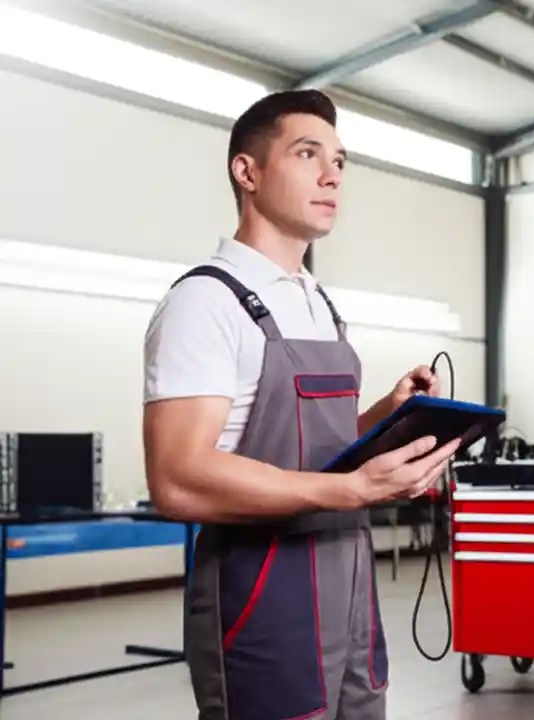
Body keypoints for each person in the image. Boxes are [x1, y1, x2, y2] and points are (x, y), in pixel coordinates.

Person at [142, 89, 459, 720]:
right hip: (261, 589)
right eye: (308, 153)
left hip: (349, 579)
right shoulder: (206, 302)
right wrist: (354, 492)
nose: (331, 175)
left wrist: (387, 417)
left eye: (340, 161)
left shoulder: (315, 300)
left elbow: (322, 447)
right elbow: (177, 480)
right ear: (248, 171)